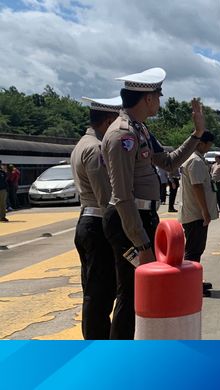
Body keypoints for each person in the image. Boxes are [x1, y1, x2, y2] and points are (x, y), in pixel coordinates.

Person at [102, 67, 206, 340]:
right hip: (128, 222)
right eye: (158, 95)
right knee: (130, 292)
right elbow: (122, 195)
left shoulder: (140, 130)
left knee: (139, 291)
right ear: (147, 98)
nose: (160, 101)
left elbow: (169, 162)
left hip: (144, 217)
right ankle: (120, 360)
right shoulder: (122, 135)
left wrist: (197, 134)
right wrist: (141, 244)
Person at [70, 96, 122, 339]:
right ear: (109, 120)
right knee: (100, 292)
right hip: (98, 223)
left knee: (93, 287)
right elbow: (105, 196)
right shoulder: (95, 148)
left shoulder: (82, 143)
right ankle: (97, 342)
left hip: (88, 221)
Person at [179, 131, 219, 297]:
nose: (209, 148)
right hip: (195, 213)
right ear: (201, 143)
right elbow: (197, 186)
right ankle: (190, 284)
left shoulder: (194, 159)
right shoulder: (195, 161)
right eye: (208, 145)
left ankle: (193, 281)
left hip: (194, 212)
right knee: (194, 250)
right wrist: (204, 211)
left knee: (195, 249)